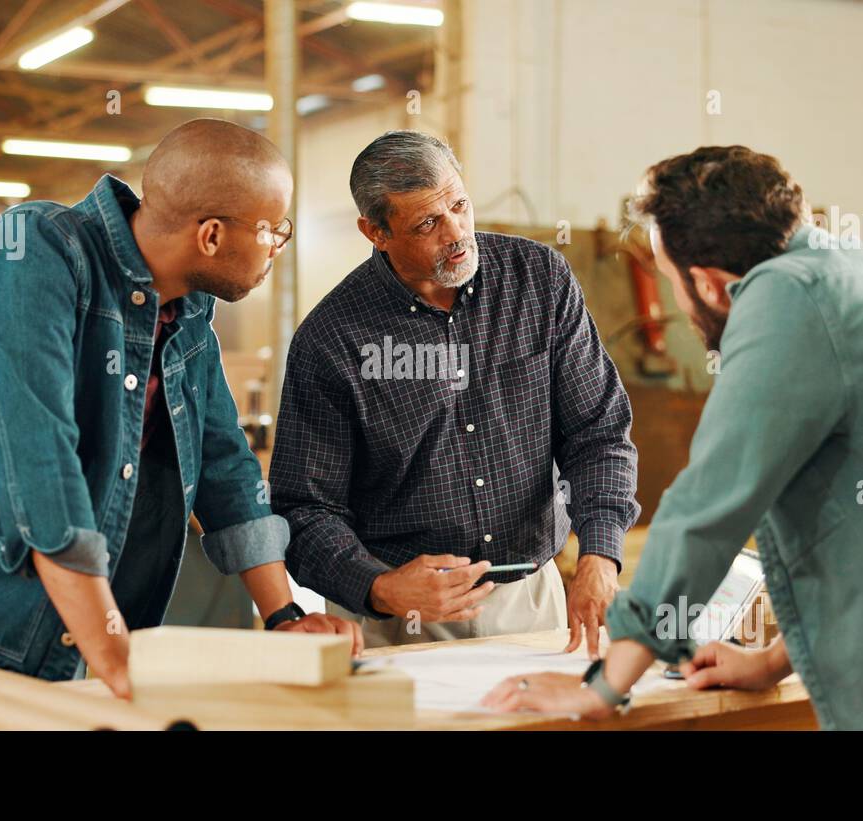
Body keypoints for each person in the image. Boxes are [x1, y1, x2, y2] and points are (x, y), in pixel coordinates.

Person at [483, 145, 863, 730]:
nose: (680, 307)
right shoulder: (846, 279)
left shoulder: (788, 301)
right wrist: (772, 663)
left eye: (671, 283)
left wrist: (602, 686)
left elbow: (708, 506)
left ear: (709, 285)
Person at [0, 119, 360, 699]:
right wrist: (117, 662)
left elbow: (226, 465)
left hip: (88, 634)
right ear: (211, 236)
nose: (277, 245)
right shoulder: (34, 251)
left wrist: (286, 618)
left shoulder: (190, 310)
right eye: (273, 229)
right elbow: (39, 460)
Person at [271, 130, 639, 654]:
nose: (457, 233)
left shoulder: (540, 280)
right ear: (375, 231)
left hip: (531, 600)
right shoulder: (331, 338)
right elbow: (304, 508)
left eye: (460, 205)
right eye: (428, 223)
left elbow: (598, 435)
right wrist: (378, 587)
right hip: (399, 619)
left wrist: (599, 556)